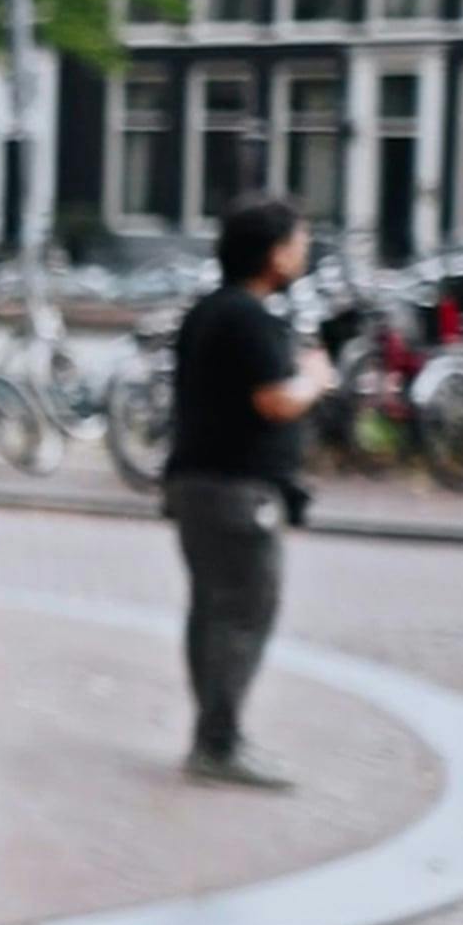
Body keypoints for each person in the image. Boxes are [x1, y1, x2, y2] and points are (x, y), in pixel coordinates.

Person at [163, 193, 334, 790]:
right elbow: (275, 400)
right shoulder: (249, 317)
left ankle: (213, 732)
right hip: (238, 494)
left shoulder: (208, 310)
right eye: (297, 241)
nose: (304, 251)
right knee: (243, 612)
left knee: (211, 611)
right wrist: (313, 379)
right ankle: (219, 741)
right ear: (273, 254)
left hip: (197, 487)